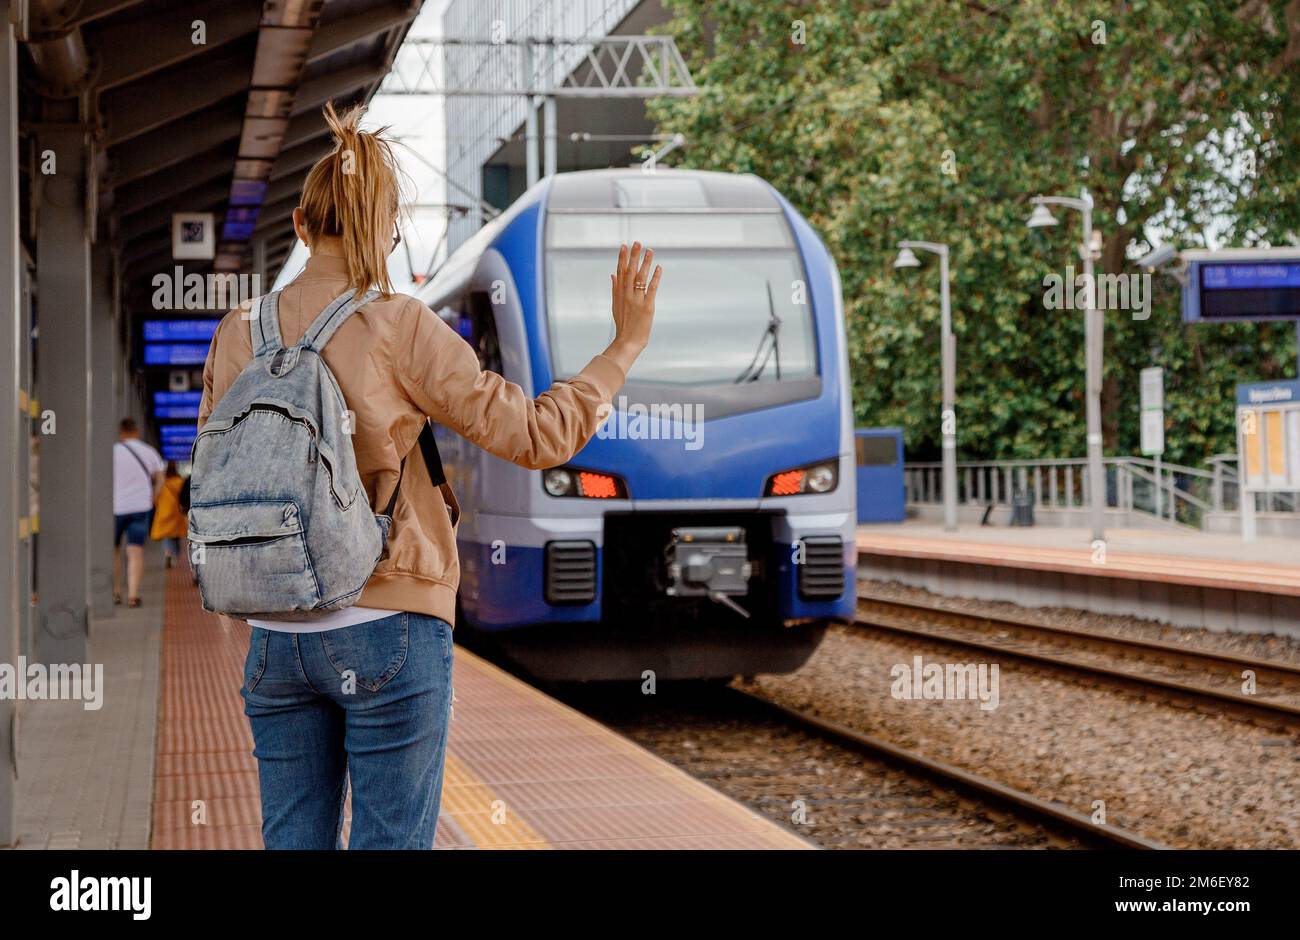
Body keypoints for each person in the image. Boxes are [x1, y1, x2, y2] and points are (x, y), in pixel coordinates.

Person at [198, 103, 660, 850]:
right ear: (386, 231)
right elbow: (537, 436)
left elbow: (214, 472)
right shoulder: (400, 325)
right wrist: (623, 348)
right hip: (386, 620)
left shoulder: (237, 332)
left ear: (300, 224)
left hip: (273, 632)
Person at [113, 417, 165, 607]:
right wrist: (153, 497)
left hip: (116, 508)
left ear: (121, 433)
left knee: (114, 551)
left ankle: (116, 591)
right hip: (140, 507)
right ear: (136, 431)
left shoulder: (113, 452)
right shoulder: (148, 452)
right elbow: (160, 478)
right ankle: (133, 595)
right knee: (135, 551)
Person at [149, 462, 187, 568]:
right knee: (175, 538)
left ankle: (168, 554)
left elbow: (156, 498)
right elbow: (184, 498)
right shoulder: (180, 482)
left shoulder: (162, 483)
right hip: (177, 514)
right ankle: (174, 556)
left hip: (164, 513)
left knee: (166, 537)